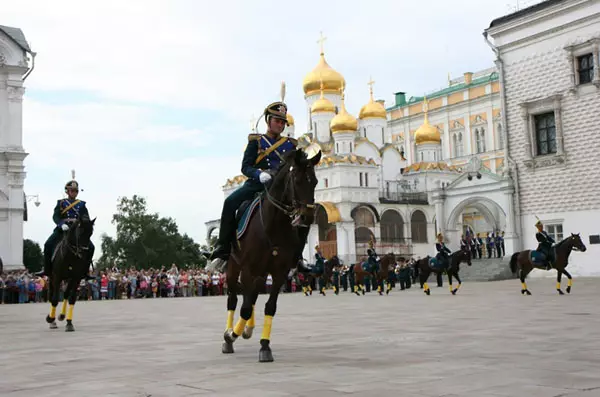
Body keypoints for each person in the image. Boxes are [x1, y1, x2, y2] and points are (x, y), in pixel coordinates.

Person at [203, 101, 310, 273]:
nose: (280, 125)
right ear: (269, 121)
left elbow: (298, 165)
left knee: (306, 211)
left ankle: (297, 257)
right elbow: (245, 167)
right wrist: (258, 174)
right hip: (257, 184)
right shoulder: (256, 141)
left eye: (283, 122)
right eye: (277, 121)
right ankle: (223, 248)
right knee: (230, 202)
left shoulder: (290, 144)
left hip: (280, 188)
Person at [35, 178, 95, 280]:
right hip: (63, 229)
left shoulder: (82, 204)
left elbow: (86, 218)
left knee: (91, 247)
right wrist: (61, 224)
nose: (74, 192)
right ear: (67, 191)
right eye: (72, 190)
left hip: (77, 229)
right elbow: (55, 216)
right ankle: (46, 269)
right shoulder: (61, 203)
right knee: (48, 244)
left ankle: (85, 271)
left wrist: (84, 223)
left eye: (76, 191)